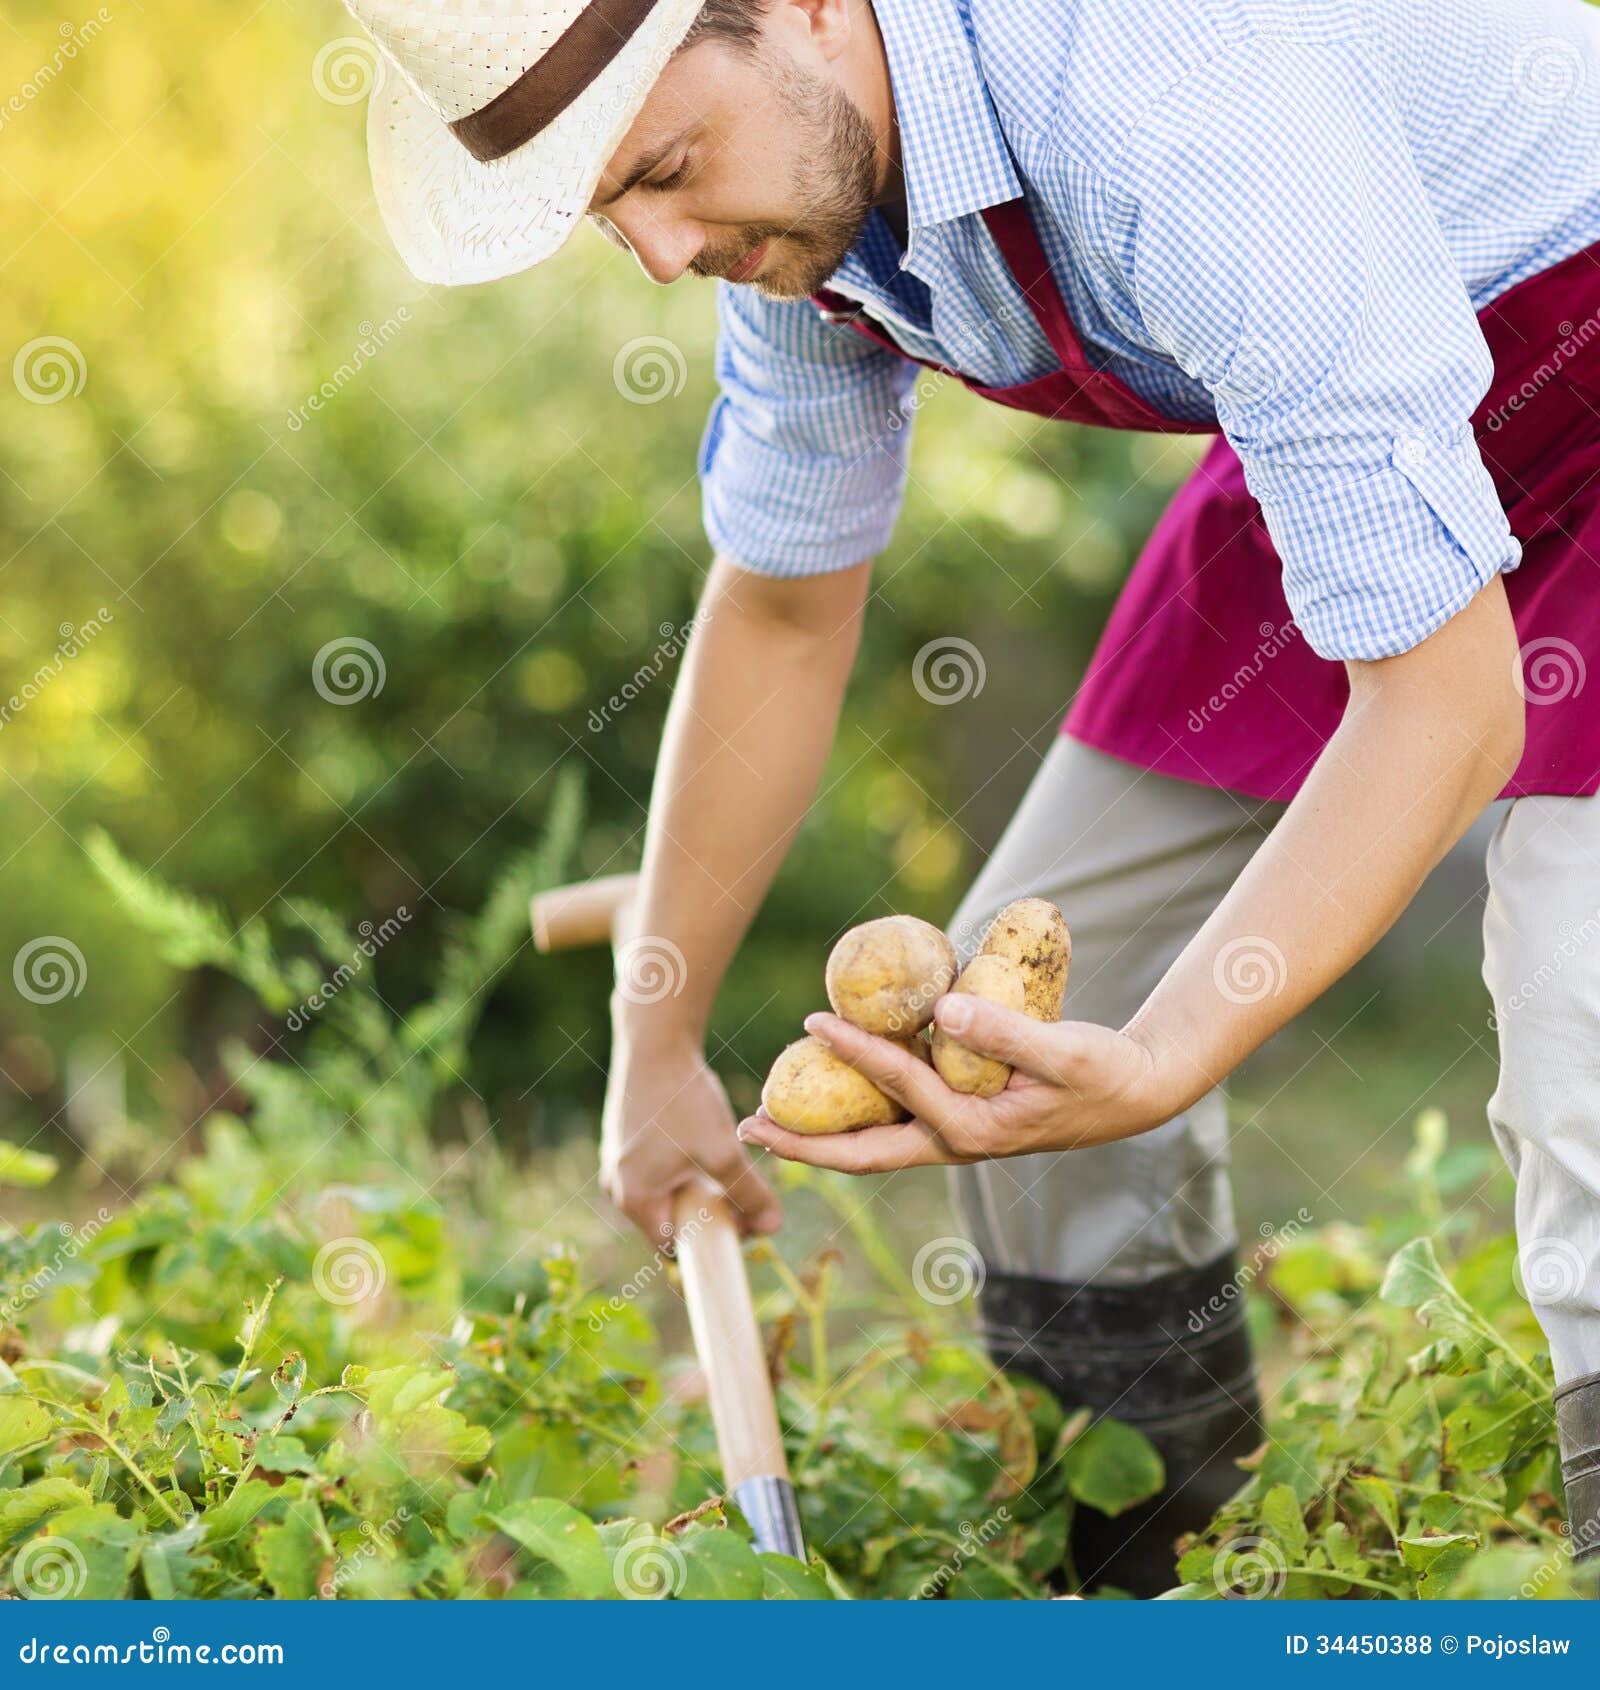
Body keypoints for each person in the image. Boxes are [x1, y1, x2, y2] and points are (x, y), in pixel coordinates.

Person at [341, 0, 1600, 1593]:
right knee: (1014, 1067)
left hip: (1567, 354)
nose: (658, 252)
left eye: (662, 168)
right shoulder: (804, 193)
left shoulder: (1176, 104)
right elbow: (787, 600)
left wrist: (1162, 1059)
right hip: (1378, 417)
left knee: (1584, 1051)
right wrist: (655, 1049)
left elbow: (1449, 702)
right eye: (615, 214)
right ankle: (1165, 1578)